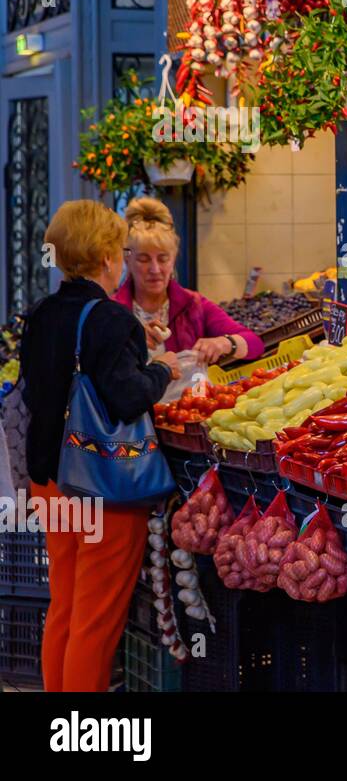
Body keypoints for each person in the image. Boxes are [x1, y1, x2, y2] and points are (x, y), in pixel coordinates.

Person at [19, 200, 180, 691]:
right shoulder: (111, 319)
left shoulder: (41, 313)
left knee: (65, 607)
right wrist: (162, 368)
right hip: (102, 487)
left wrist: (136, 351)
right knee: (96, 621)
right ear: (108, 256)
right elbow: (129, 397)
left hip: (50, 481)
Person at [114, 197, 265, 365]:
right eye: (143, 259)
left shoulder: (193, 306)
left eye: (163, 259)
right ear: (127, 260)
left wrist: (225, 343)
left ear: (173, 259)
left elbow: (255, 344)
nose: (155, 269)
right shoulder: (112, 310)